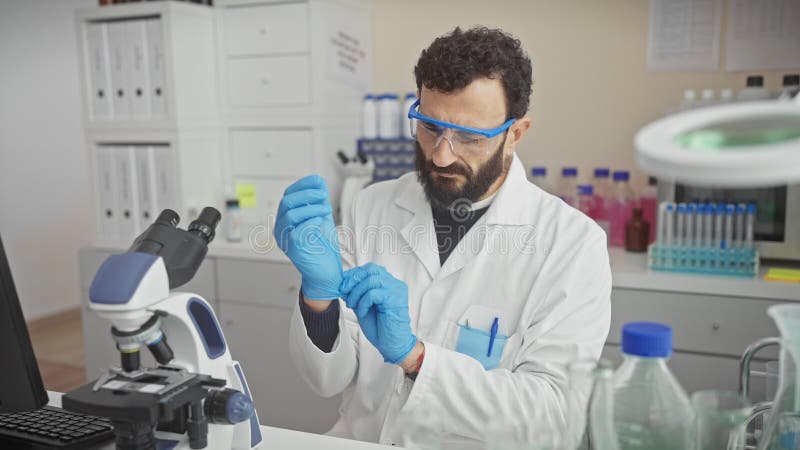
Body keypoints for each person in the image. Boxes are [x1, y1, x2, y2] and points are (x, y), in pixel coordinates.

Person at [274, 26, 611, 448]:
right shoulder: (372, 206)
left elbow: (554, 419)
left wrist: (416, 358)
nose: (441, 154)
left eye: (469, 137)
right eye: (430, 127)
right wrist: (318, 298)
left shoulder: (571, 245)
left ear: (515, 134)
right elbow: (327, 379)